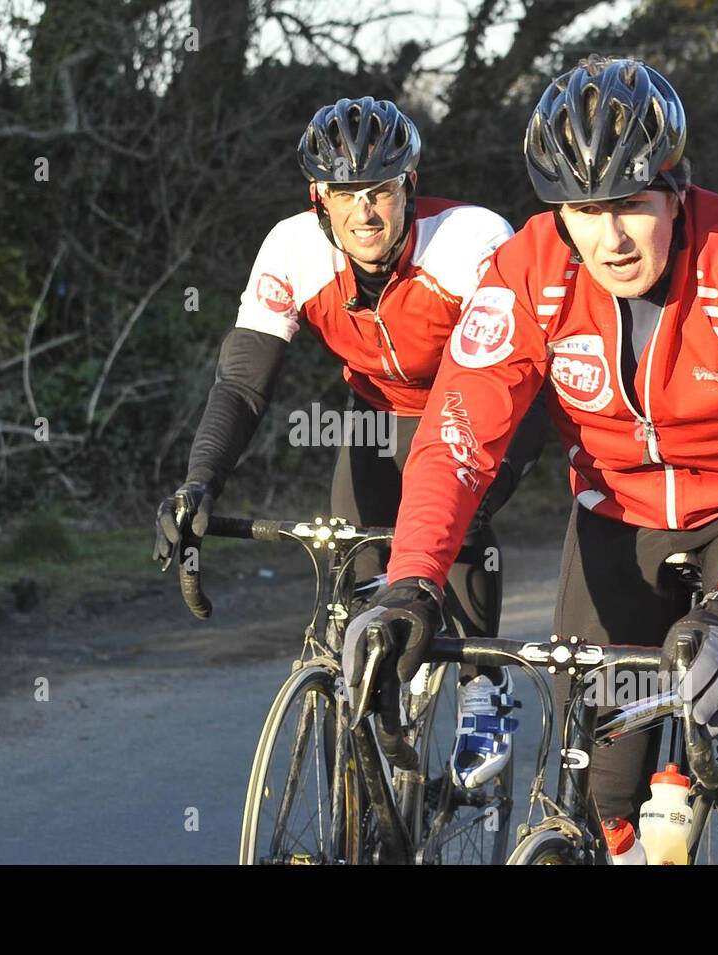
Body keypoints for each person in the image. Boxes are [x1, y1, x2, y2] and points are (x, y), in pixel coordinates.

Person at [345, 56, 718, 864]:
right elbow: (456, 437)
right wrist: (412, 581)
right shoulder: (530, 269)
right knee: (601, 790)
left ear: (676, 190)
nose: (608, 237)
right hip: (618, 514)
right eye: (582, 210)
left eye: (630, 205)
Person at [154, 96, 547, 788]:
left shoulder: (470, 240)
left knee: (462, 521)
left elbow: (521, 378)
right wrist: (200, 482)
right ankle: (368, 763)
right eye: (344, 194)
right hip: (377, 415)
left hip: (480, 408)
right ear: (319, 198)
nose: (363, 213)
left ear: (409, 187)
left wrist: (481, 482)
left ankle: (483, 686)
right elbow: (244, 384)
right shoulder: (293, 249)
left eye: (381, 191)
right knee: (355, 562)